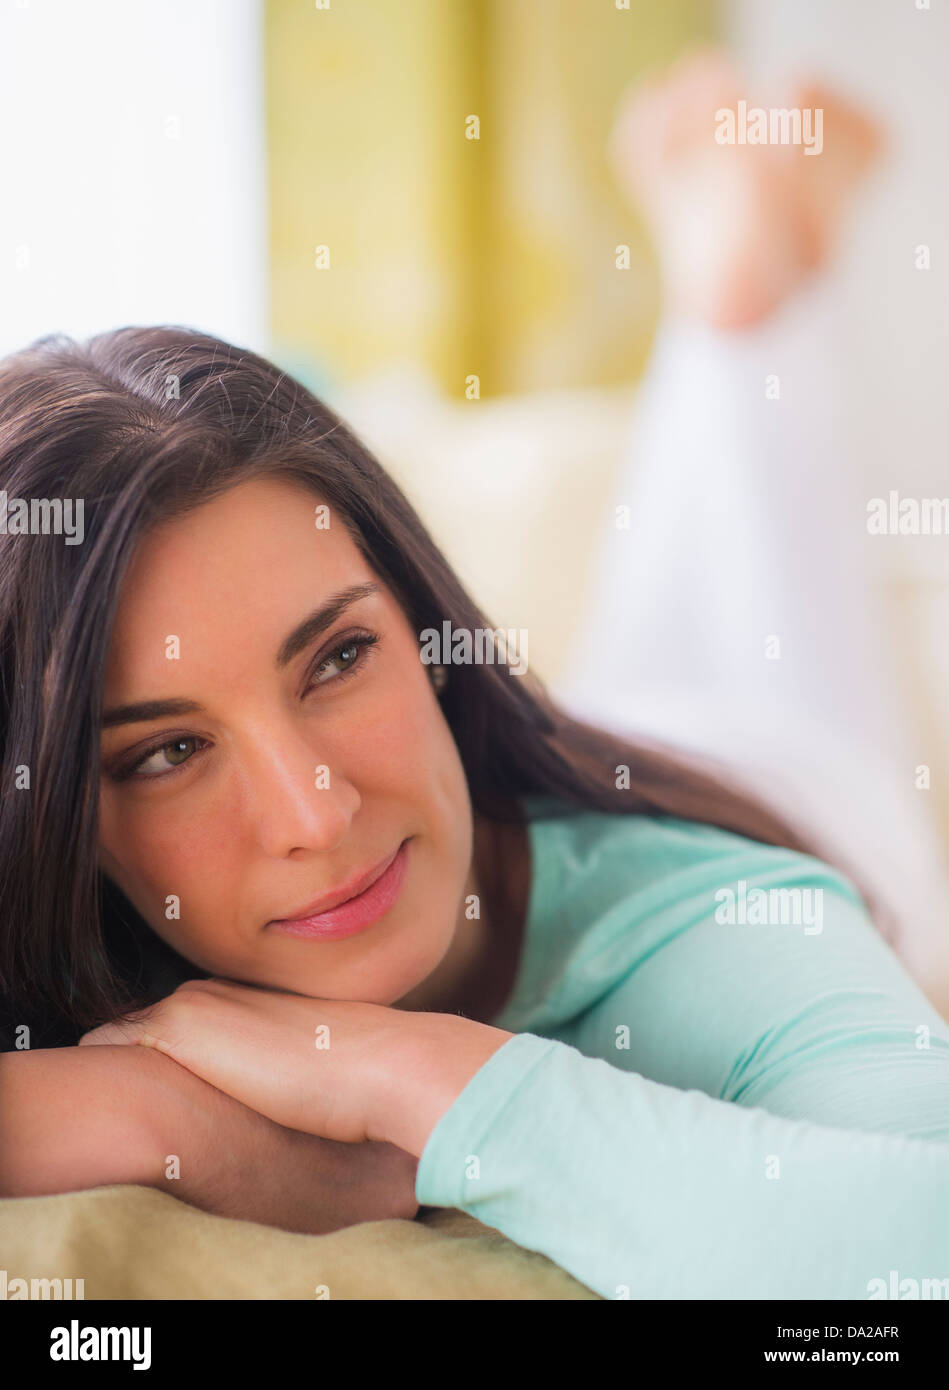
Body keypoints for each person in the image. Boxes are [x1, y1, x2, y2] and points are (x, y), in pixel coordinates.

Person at [1, 60, 948, 1302]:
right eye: (166, 752)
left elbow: (911, 1246)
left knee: (767, 619)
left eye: (339, 658)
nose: (314, 813)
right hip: (592, 744)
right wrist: (149, 1112)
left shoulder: (716, 919)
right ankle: (736, 271)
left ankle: (741, 281)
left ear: (424, 620)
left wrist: (407, 1084)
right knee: (705, 574)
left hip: (774, 779)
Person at [557, 48, 949, 1020]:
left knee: (749, 663)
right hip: (682, 805)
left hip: (676, 807)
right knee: (719, 665)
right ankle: (766, 297)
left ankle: (762, 295)